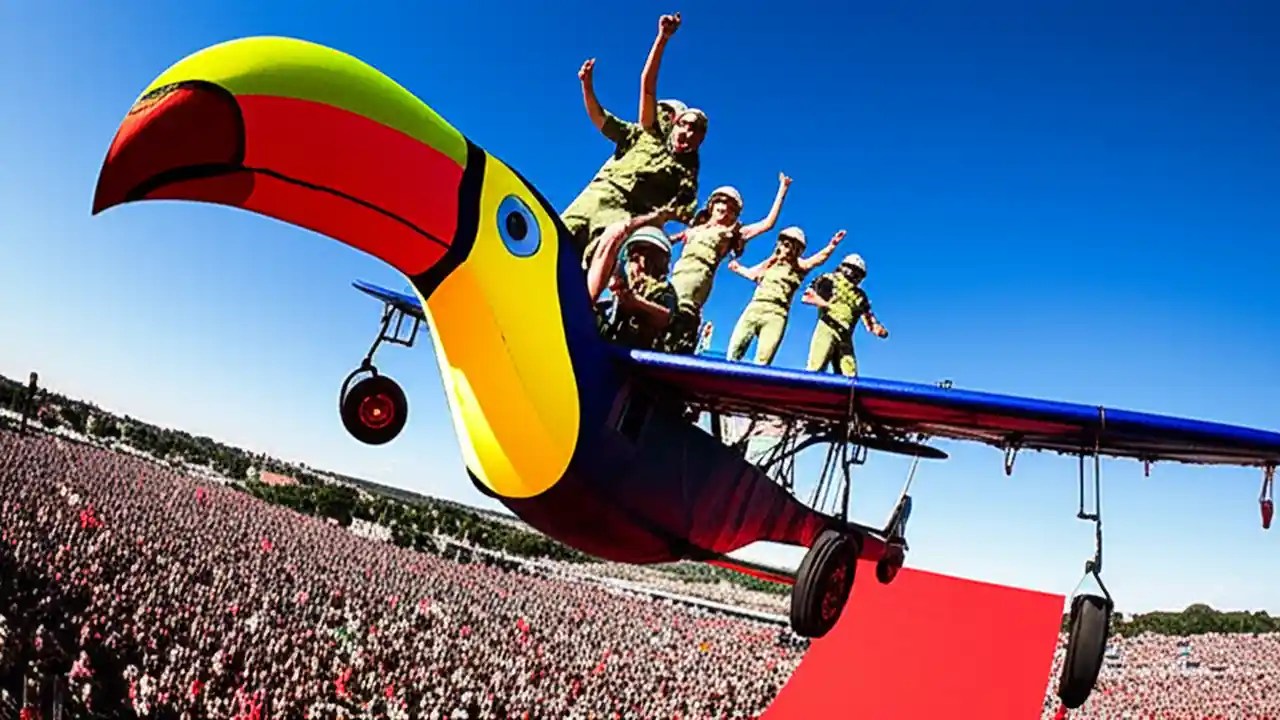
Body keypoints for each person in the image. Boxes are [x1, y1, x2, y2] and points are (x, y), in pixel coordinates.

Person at [563, 13, 705, 261]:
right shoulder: (643, 133)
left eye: (695, 131)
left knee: (589, 265)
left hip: (624, 216)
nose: (687, 133)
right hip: (599, 193)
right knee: (556, 241)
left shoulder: (687, 171)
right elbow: (640, 91)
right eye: (681, 124)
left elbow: (682, 211)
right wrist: (587, 87)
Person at [723, 227, 844, 366]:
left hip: (777, 314)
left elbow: (817, 260)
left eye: (789, 245)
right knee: (734, 351)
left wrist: (831, 246)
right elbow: (753, 274)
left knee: (763, 360)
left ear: (797, 249)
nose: (785, 248)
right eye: (783, 243)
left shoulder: (798, 267)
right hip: (755, 307)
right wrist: (737, 268)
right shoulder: (770, 263)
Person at [586, 222, 680, 352]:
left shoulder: (664, 289)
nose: (641, 263)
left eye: (649, 257)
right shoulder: (621, 284)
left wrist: (636, 302)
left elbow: (665, 317)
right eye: (635, 257)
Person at [801, 253, 888, 376]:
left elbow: (869, 318)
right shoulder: (829, 279)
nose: (853, 275)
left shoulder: (860, 296)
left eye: (858, 273)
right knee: (816, 367)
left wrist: (877, 329)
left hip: (845, 337)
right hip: (827, 327)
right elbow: (807, 297)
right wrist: (828, 305)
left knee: (850, 375)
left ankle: (848, 394)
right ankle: (808, 392)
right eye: (851, 270)